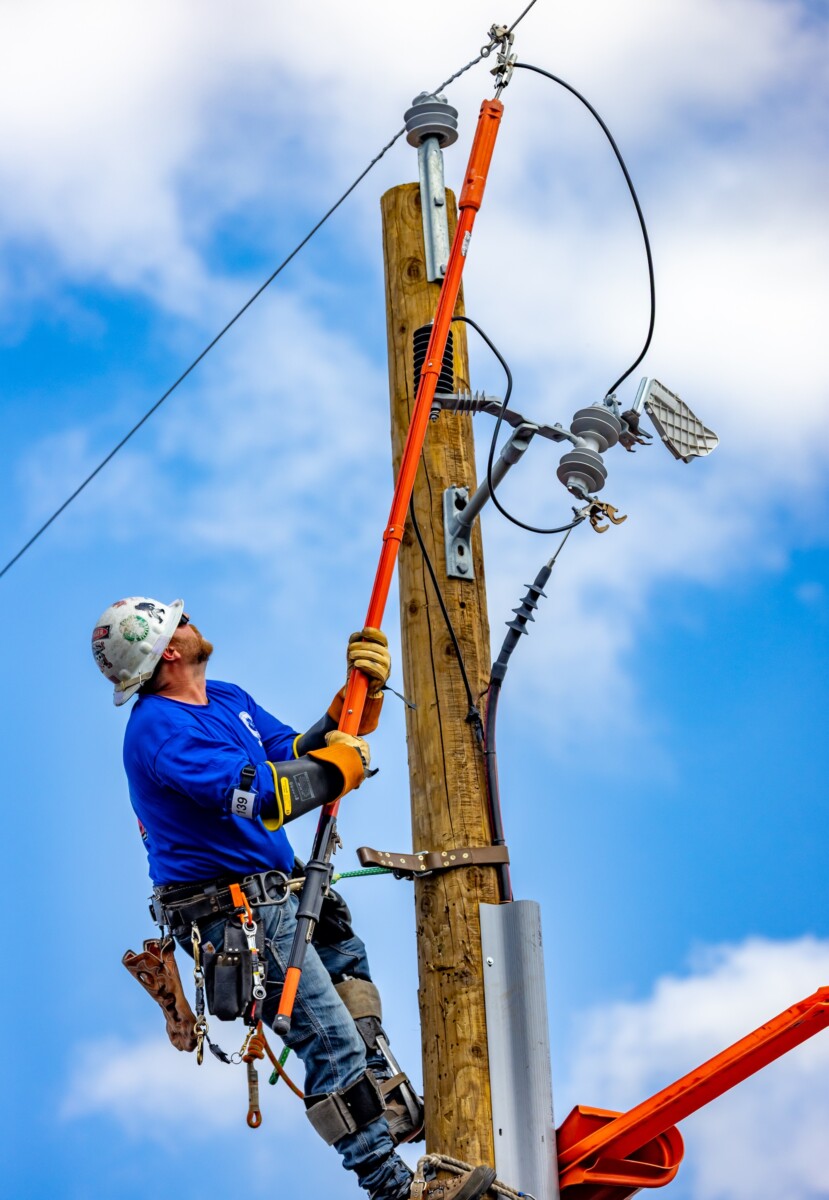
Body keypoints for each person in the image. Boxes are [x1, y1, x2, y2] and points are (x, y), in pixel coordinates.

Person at [92, 595, 497, 1200]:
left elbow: (292, 755)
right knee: (330, 1042)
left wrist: (352, 704)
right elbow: (260, 795)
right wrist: (340, 770)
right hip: (233, 913)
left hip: (278, 892)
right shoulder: (158, 731)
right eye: (180, 621)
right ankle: (391, 1186)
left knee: (350, 982)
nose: (192, 621)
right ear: (169, 650)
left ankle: (382, 1101)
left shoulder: (224, 696)